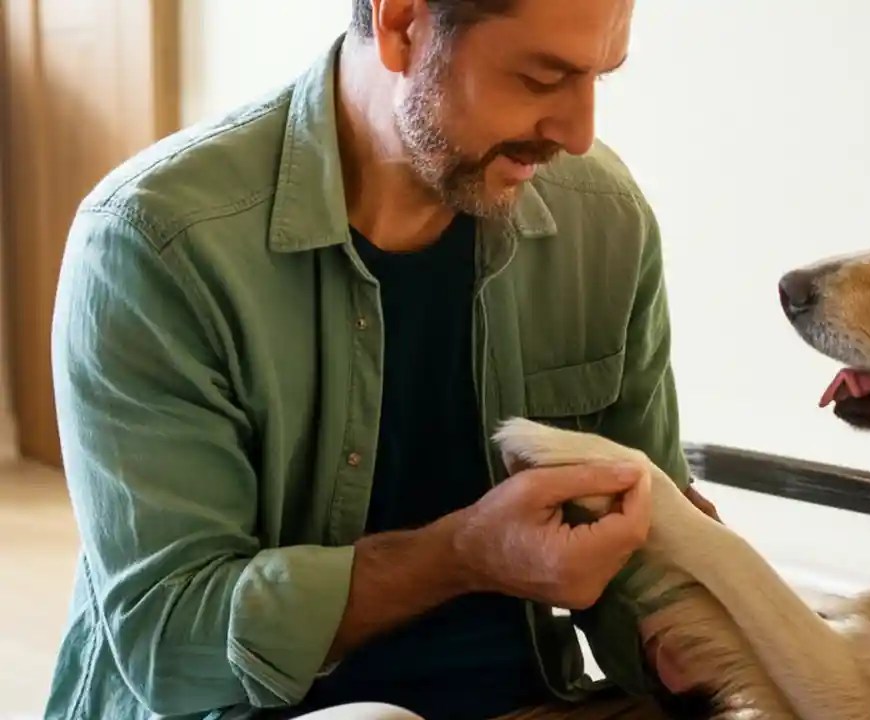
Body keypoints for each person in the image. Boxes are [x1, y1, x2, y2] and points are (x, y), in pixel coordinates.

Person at [43, 0, 719, 718]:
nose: (579, 134)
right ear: (402, 24)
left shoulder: (604, 219)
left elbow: (649, 529)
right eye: (540, 77)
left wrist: (679, 633)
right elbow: (168, 642)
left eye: (598, 80)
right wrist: (461, 555)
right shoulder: (158, 243)